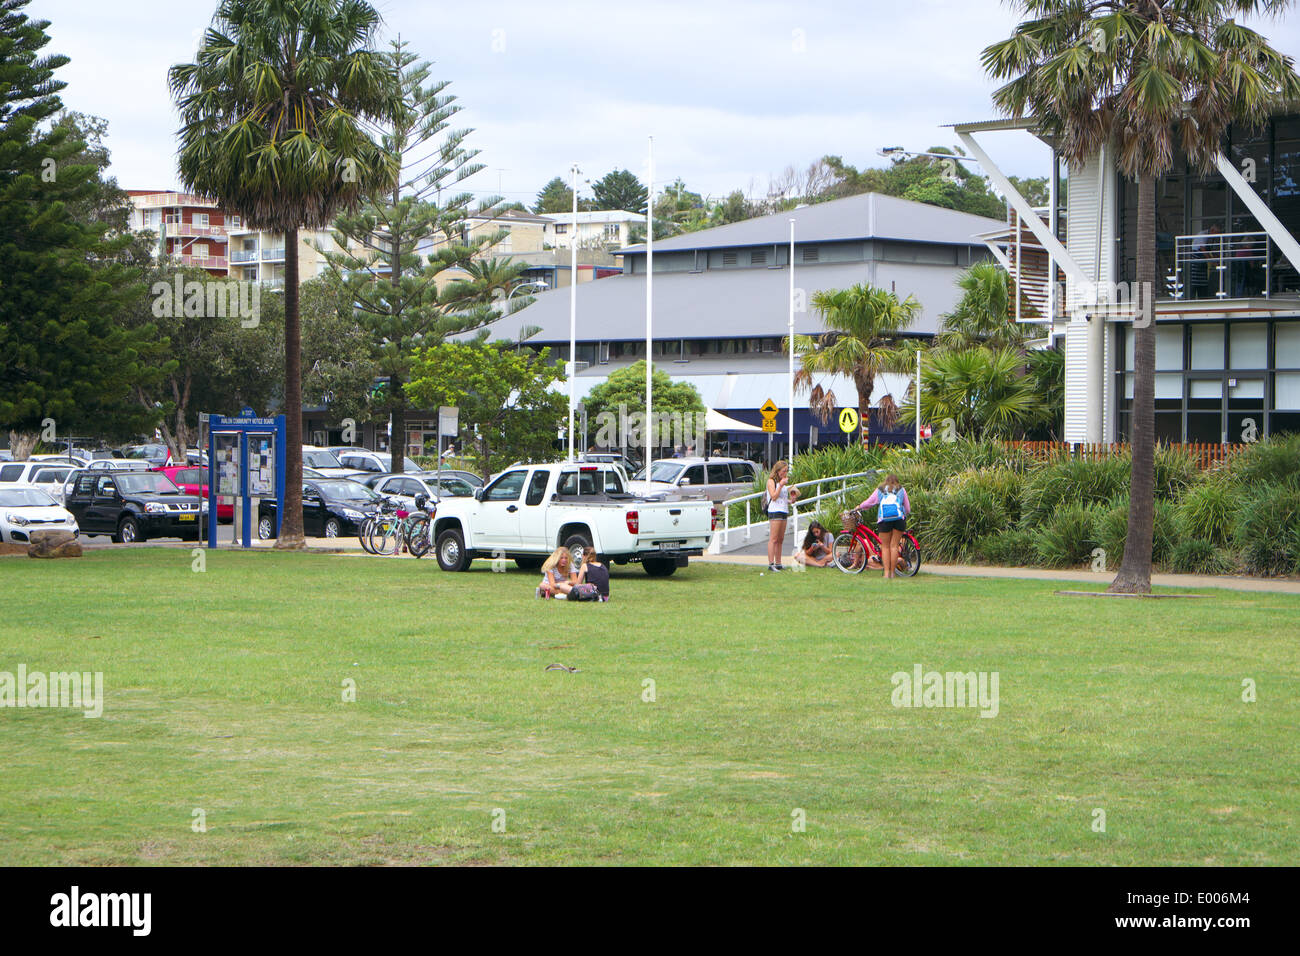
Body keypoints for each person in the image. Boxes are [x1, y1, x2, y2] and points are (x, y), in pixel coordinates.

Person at [856, 474, 910, 580]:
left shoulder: (880, 490)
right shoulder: (901, 490)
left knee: (885, 547)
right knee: (894, 546)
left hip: (884, 521)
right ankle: (892, 573)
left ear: (885, 481)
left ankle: (886, 574)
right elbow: (907, 508)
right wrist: (904, 514)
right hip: (899, 520)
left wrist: (859, 507)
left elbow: (869, 502)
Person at [765, 459, 799, 572]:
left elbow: (782, 498)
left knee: (780, 539)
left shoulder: (783, 483)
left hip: (783, 510)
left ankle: (778, 562)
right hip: (775, 511)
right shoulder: (772, 481)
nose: (785, 473)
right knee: (773, 538)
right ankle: (771, 563)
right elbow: (774, 496)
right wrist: (780, 485)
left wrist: (791, 500)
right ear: (778, 471)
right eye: (783, 471)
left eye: (786, 471)